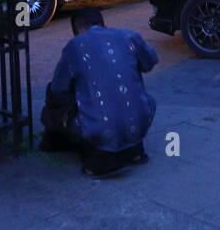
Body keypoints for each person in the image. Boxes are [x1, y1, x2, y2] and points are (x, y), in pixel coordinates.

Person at [40, 9, 158, 177]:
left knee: (54, 106)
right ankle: (134, 150)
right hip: (140, 122)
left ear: (77, 30)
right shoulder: (129, 36)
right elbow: (150, 62)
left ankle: (97, 159)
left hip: (100, 129)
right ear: (103, 23)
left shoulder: (75, 46)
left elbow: (58, 90)